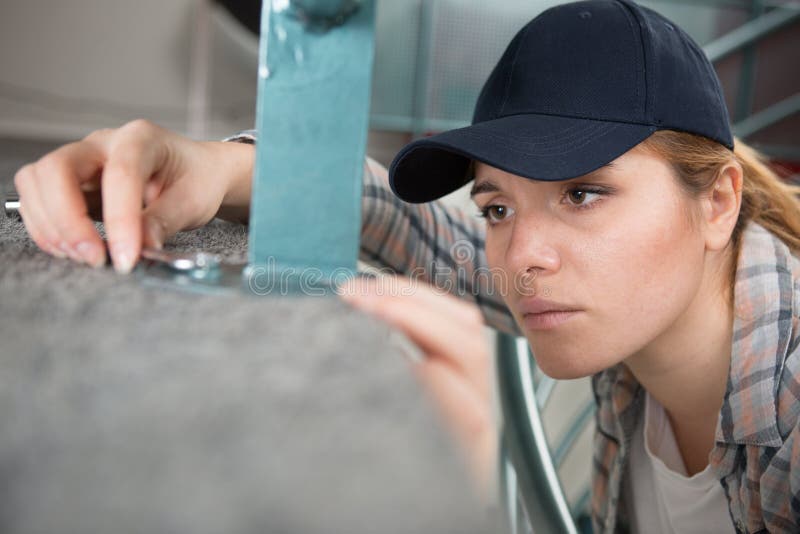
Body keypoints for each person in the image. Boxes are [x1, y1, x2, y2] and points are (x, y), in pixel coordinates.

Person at [12, 0, 800, 531]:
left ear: (718, 203)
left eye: (584, 193)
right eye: (496, 208)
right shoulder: (632, 317)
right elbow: (404, 227)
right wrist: (214, 168)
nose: (521, 257)